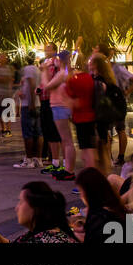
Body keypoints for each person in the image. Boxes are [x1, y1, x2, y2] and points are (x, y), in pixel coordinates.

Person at [0, 181, 78, 244]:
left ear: (35, 208)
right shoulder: (42, 233)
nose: (16, 208)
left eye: (21, 202)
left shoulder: (48, 240)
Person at [43, 51, 77, 179]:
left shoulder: (62, 73)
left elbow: (47, 86)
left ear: (61, 60)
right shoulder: (66, 73)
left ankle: (69, 170)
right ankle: (68, 169)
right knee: (67, 140)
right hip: (61, 106)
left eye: (56, 58)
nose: (54, 60)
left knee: (67, 140)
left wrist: (44, 71)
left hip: (60, 107)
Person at [73, 166, 128, 243]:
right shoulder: (119, 207)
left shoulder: (98, 217)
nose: (81, 196)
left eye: (81, 192)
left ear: (89, 193)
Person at [65, 58, 99, 171]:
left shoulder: (73, 81)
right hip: (91, 115)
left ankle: (90, 177)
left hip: (80, 117)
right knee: (90, 148)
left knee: (86, 149)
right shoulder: (90, 78)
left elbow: (71, 100)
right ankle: (92, 174)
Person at [38, 43, 63, 174]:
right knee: (48, 130)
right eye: (45, 49)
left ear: (54, 50)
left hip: (53, 99)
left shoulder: (56, 63)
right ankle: (54, 161)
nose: (46, 51)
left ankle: (60, 162)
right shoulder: (45, 63)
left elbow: (57, 79)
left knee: (55, 131)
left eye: (48, 49)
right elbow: (43, 82)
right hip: (44, 99)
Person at [14, 53, 42, 170]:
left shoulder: (28, 70)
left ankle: (29, 160)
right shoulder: (37, 69)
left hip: (29, 105)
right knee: (38, 133)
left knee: (28, 133)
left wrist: (30, 103)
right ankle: (37, 159)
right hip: (37, 104)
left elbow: (32, 85)